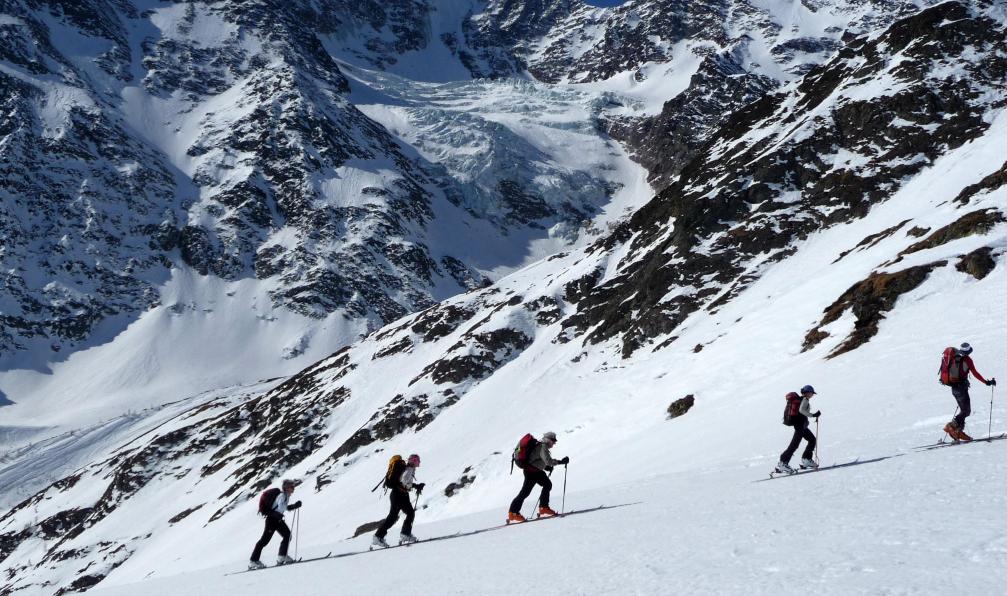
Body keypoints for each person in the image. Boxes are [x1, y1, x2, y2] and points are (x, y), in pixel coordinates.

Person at [508, 431, 569, 522]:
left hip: (535, 471)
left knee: (547, 484)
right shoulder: (543, 446)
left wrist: (546, 467)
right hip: (531, 472)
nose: (554, 443)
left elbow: (537, 459)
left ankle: (543, 508)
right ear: (548, 440)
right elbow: (548, 461)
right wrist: (561, 462)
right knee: (525, 492)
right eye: (553, 441)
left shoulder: (541, 445)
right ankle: (513, 513)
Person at [943, 342, 997, 441]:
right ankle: (951, 426)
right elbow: (975, 373)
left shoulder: (953, 357)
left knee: (964, 410)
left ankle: (958, 431)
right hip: (961, 389)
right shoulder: (967, 360)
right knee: (966, 411)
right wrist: (986, 382)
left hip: (954, 388)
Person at [372, 454, 425, 548]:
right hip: (399, 495)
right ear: (414, 461)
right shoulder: (408, 469)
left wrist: (416, 486)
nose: (419, 462)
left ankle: (402, 534)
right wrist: (415, 486)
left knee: (404, 514)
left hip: (400, 494)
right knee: (398, 516)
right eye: (417, 460)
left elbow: (405, 482)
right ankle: (381, 536)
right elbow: (404, 481)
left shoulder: (409, 469)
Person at [249, 479, 302, 569]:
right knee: (264, 541)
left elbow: (282, 508)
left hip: (277, 519)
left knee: (287, 535)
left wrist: (293, 506)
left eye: (293, 486)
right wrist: (293, 506)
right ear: (286, 488)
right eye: (291, 486)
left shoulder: (286, 496)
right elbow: (281, 507)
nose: (293, 488)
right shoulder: (282, 496)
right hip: (272, 520)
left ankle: (282, 556)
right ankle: (253, 561)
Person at [776, 385, 820, 475]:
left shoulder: (801, 399)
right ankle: (783, 462)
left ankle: (806, 459)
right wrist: (813, 415)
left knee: (812, 440)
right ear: (807, 393)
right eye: (811, 393)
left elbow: (801, 412)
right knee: (794, 445)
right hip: (800, 426)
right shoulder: (804, 399)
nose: (812, 394)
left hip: (802, 426)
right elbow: (802, 411)